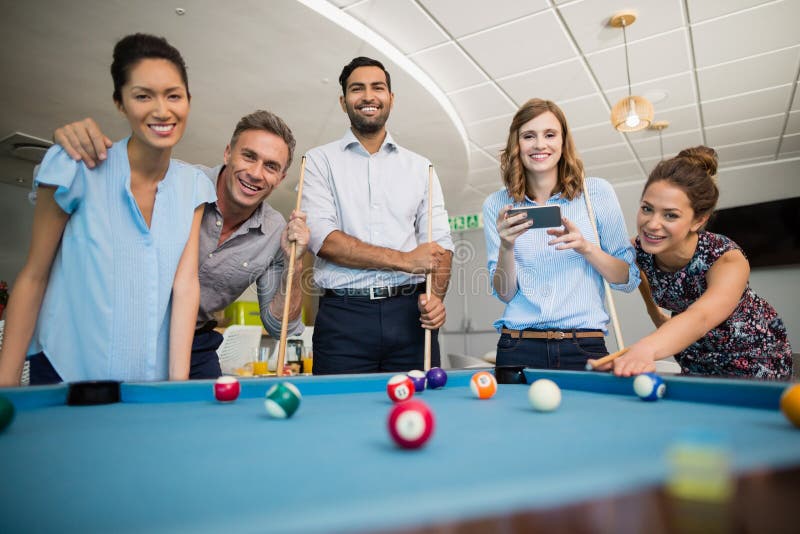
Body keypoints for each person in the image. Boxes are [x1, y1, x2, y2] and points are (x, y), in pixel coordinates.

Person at [0, 33, 216, 386]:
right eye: (143, 96)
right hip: (66, 372)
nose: (162, 110)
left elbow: (185, 286)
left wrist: (178, 385)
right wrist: (4, 389)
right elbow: (33, 276)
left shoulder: (194, 187)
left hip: (148, 381)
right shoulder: (75, 165)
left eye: (173, 95)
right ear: (120, 103)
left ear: (188, 101)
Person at [48, 109, 309, 380]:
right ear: (228, 153)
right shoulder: (174, 180)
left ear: (280, 177)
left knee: (206, 418)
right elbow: (91, 184)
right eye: (249, 156)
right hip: (121, 329)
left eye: (270, 166)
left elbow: (280, 328)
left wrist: (295, 261)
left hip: (196, 342)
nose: (256, 173)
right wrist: (71, 146)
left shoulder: (277, 231)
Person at [302, 56, 454, 374]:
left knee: (418, 412)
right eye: (358, 89)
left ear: (391, 99)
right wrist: (406, 260)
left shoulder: (421, 167)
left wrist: (435, 299)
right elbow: (325, 241)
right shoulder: (317, 162)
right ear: (344, 102)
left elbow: (440, 247)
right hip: (343, 319)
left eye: (378, 87)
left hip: (411, 317)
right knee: (342, 416)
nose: (369, 96)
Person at [592, 146, 793, 379]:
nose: (652, 224)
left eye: (670, 215)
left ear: (698, 220)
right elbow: (634, 271)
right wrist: (653, 312)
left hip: (752, 357)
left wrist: (644, 348)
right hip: (693, 354)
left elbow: (701, 316)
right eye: (647, 209)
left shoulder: (725, 258)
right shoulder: (639, 249)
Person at [482, 98, 639, 370]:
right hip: (519, 345)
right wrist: (506, 246)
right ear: (516, 144)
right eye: (529, 136)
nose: (540, 144)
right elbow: (505, 294)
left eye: (550, 134)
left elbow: (626, 279)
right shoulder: (496, 204)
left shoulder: (596, 193)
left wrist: (586, 247)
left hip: (584, 345)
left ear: (563, 142)